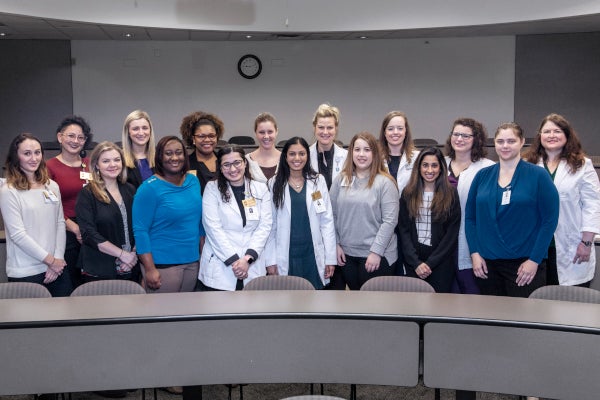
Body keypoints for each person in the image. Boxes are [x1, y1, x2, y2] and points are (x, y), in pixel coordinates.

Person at [465, 122, 559, 297]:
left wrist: (534, 260)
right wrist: (474, 253)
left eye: (511, 141)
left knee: (524, 314)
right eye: (500, 141)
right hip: (486, 264)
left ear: (521, 142)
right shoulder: (482, 176)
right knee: (491, 313)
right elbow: (470, 218)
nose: (505, 146)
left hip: (524, 265)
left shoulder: (538, 175)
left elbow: (550, 221)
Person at [525, 113, 600, 287]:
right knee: (536, 297)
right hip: (534, 245)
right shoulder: (528, 164)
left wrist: (587, 242)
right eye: (547, 131)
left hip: (571, 244)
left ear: (567, 135)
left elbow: (593, 205)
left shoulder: (582, 165)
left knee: (569, 298)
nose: (551, 135)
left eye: (557, 131)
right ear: (540, 136)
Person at [0, 133, 71, 296]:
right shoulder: (8, 191)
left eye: (37, 152)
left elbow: (60, 223)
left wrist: (58, 259)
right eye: (27, 153)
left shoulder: (51, 186)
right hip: (26, 271)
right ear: (16, 157)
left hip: (57, 269)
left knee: (64, 311)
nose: (34, 158)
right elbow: (18, 235)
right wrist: (51, 261)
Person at [133, 136, 204, 294]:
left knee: (188, 308)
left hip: (192, 261)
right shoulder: (148, 188)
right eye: (168, 153)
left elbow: (199, 222)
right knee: (163, 309)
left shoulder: (193, 181)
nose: (174, 158)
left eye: (178, 152)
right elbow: (140, 231)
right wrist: (150, 269)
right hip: (162, 264)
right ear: (159, 157)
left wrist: (202, 256)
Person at [330, 132, 399, 290]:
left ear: (375, 154)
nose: (361, 154)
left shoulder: (385, 183)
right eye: (357, 149)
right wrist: (336, 244)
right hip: (346, 255)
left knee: (374, 303)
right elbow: (331, 215)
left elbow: (390, 221)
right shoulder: (341, 179)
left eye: (367, 150)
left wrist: (376, 252)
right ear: (351, 152)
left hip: (376, 256)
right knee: (356, 301)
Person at [265, 137, 337, 289]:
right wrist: (270, 260)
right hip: (286, 253)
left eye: (302, 154)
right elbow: (270, 225)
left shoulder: (318, 181)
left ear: (307, 156)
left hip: (312, 252)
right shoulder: (274, 183)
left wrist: (330, 258)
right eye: (292, 154)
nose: (297, 158)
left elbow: (327, 221)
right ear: (285, 157)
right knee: (288, 296)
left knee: (315, 297)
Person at [198, 145, 272, 291]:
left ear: (245, 163)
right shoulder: (212, 189)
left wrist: (247, 259)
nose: (232, 169)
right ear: (220, 168)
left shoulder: (260, 189)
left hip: (252, 265)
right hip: (220, 267)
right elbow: (213, 228)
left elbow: (265, 226)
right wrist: (235, 261)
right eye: (226, 164)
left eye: (237, 162)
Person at [398, 147, 460, 293]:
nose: (430, 170)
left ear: (441, 168)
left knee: (438, 304)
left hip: (441, 263)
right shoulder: (408, 193)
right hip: (414, 262)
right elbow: (403, 230)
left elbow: (451, 234)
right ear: (419, 167)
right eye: (425, 165)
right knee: (414, 304)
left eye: (434, 165)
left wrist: (431, 263)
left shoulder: (450, 193)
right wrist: (415, 262)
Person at [444, 118, 495, 294]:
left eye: (466, 136)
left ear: (476, 139)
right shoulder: (438, 164)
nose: (459, 139)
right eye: (456, 134)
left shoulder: (488, 168)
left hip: (472, 241)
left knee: (472, 294)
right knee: (444, 297)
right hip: (443, 241)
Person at [75, 142, 138, 282]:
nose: (112, 165)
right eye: (106, 161)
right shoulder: (87, 194)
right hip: (100, 268)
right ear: (96, 165)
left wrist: (133, 254)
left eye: (117, 160)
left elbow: (140, 225)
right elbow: (88, 234)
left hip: (131, 265)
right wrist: (122, 254)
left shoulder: (130, 190)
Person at [46, 115, 92, 290]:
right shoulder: (49, 167)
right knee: (71, 282)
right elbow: (49, 206)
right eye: (71, 136)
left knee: (91, 283)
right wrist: (74, 228)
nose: (75, 141)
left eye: (81, 137)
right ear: (60, 137)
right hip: (65, 230)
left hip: (90, 229)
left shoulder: (90, 164)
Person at [379, 111, 419, 276]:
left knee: (407, 272)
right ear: (384, 132)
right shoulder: (375, 158)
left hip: (409, 223)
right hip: (382, 223)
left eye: (400, 128)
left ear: (406, 131)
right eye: (390, 128)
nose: (395, 132)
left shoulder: (418, 158)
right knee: (386, 273)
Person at [180, 111, 224, 194]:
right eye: (201, 136)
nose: (207, 140)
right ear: (193, 139)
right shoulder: (185, 164)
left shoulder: (224, 160)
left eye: (211, 136)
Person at [308, 104, 348, 190]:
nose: (325, 132)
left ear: (336, 129)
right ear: (314, 128)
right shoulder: (306, 156)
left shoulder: (347, 157)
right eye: (321, 127)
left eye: (330, 127)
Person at [121, 110, 156, 188]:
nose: (141, 133)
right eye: (135, 129)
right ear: (128, 132)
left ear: (150, 130)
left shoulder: (159, 157)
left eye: (145, 128)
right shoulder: (120, 160)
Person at [246, 112, 281, 183]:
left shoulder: (286, 159)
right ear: (255, 133)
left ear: (276, 132)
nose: (266, 136)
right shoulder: (246, 160)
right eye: (262, 132)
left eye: (270, 132)